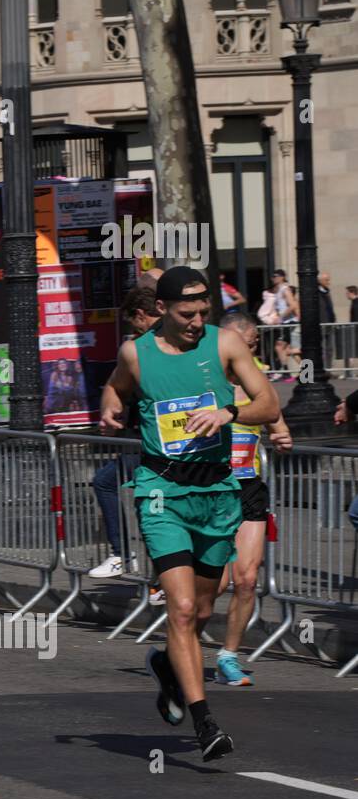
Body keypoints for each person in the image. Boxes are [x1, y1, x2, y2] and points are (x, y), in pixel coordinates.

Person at [99, 267, 279, 761]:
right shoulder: (137, 353)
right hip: (161, 490)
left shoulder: (225, 345)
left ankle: (166, 668)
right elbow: (115, 388)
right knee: (179, 609)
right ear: (162, 309)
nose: (198, 321)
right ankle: (205, 723)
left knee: (202, 609)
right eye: (187, 313)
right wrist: (110, 408)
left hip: (218, 491)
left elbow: (267, 403)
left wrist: (229, 413)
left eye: (204, 311)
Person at [216, 312, 293, 687]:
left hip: (248, 488)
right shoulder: (204, 378)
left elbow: (278, 423)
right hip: (210, 489)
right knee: (211, 584)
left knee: (246, 579)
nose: (246, 353)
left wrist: (282, 439)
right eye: (243, 346)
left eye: (249, 347)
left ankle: (228, 656)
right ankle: (176, 650)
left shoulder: (257, 381)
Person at [88, 285, 159, 585]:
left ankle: (136, 560)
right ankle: (138, 562)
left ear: (141, 316)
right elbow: (115, 386)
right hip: (144, 441)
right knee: (114, 485)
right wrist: (111, 408)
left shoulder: (145, 347)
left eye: (134, 323)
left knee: (152, 506)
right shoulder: (140, 347)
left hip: (154, 444)